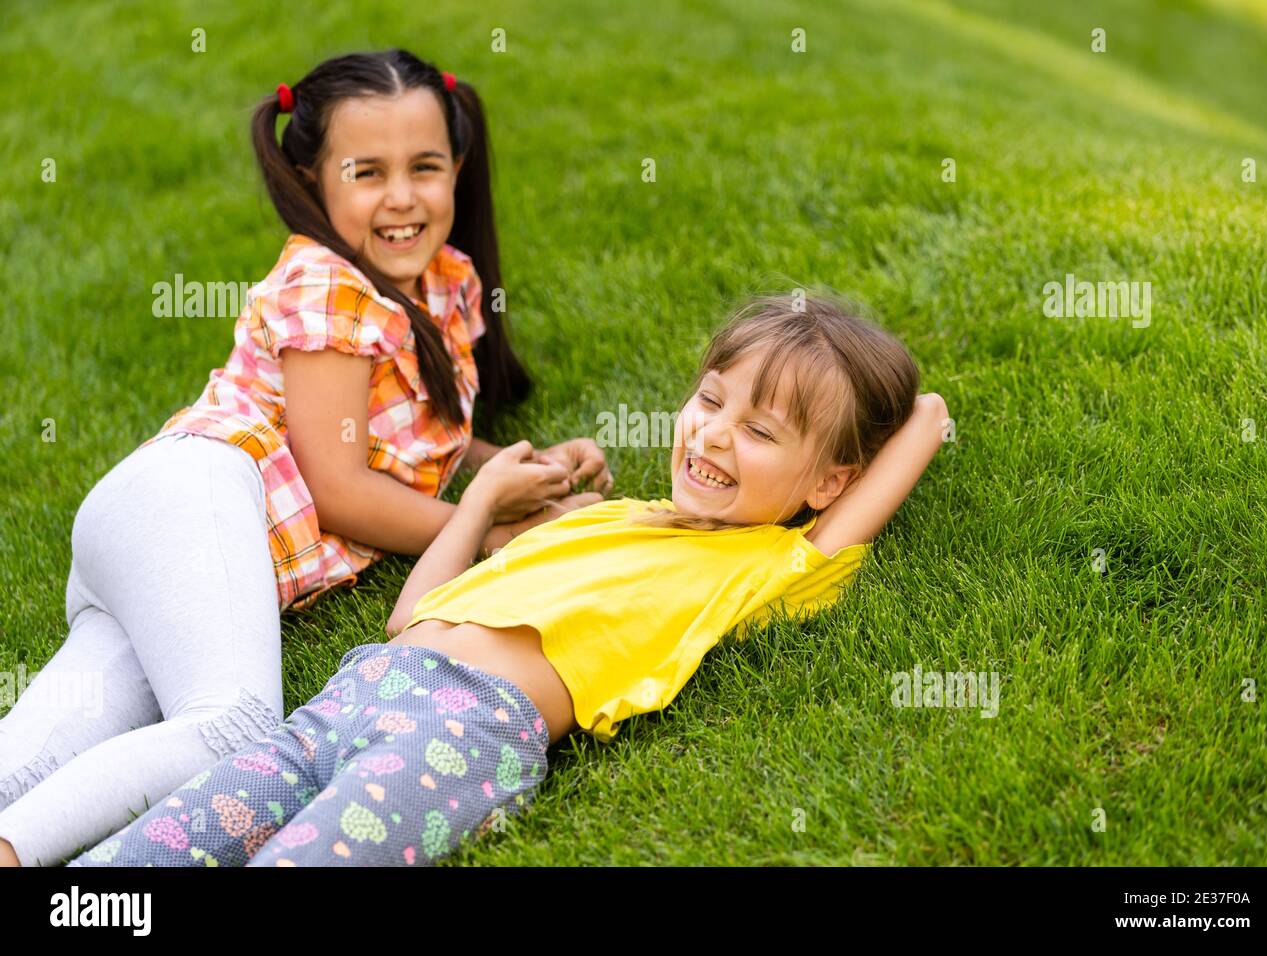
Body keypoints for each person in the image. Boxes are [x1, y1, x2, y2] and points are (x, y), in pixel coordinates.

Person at [68, 294, 949, 866]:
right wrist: (482, 494)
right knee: (148, 856)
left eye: (763, 433)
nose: (714, 436)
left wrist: (869, 399)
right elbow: (408, 618)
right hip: (351, 696)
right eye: (712, 402)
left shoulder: (774, 563)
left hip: (467, 732)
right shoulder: (607, 517)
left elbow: (922, 421)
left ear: (827, 483)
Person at [0, 49, 611, 868]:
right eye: (367, 172)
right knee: (234, 724)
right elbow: (342, 488)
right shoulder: (330, 286)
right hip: (200, 494)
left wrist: (522, 472)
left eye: (425, 167)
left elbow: (417, 439)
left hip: (162, 533)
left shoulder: (439, 280)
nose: (401, 198)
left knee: (53, 737)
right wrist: (490, 530)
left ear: (458, 168)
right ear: (311, 178)